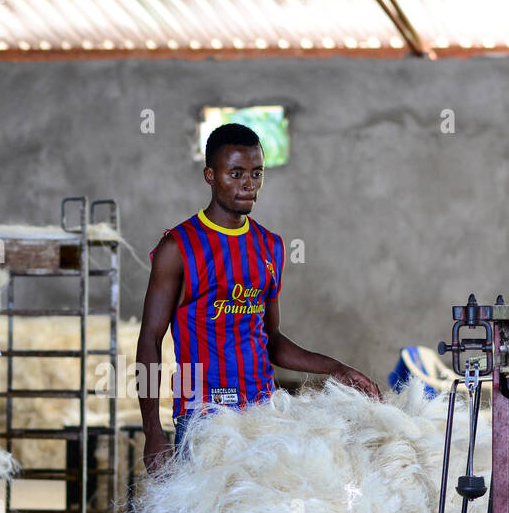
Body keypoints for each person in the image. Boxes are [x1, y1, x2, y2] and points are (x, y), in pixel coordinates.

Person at [137, 123, 381, 471]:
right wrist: (151, 430)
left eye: (256, 173)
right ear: (210, 175)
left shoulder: (270, 247)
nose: (248, 183)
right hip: (204, 420)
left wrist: (337, 370)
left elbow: (272, 341)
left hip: (263, 416)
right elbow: (150, 339)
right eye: (235, 173)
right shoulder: (178, 247)